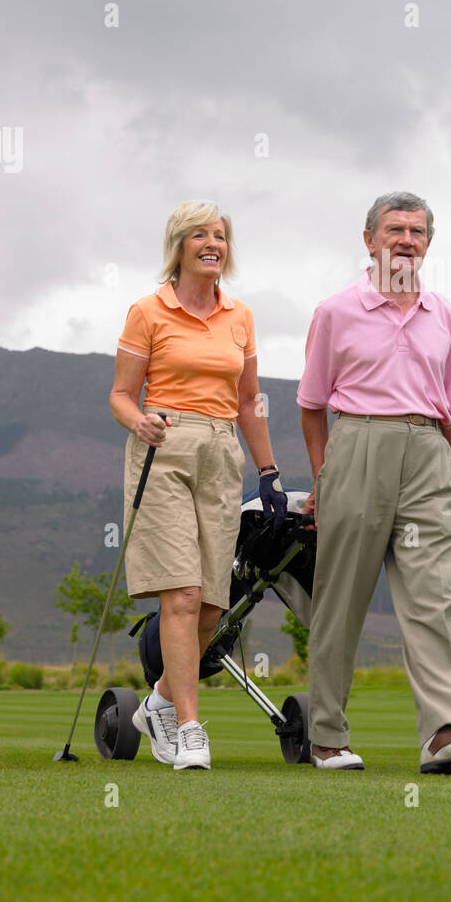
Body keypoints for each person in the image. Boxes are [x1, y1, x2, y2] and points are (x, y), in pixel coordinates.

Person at [297, 191, 451, 773]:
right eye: (394, 229)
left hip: (431, 454)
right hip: (357, 445)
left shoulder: (446, 315)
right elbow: (311, 407)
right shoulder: (335, 311)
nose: (405, 239)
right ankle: (328, 738)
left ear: (429, 243)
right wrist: (326, 476)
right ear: (370, 240)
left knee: (434, 598)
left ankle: (445, 734)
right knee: (340, 601)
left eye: (416, 231)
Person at [109, 200, 287, 770]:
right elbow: (120, 394)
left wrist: (270, 471)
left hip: (221, 450)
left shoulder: (240, 315)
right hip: (163, 447)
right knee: (181, 597)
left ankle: (158, 700)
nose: (213, 243)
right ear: (179, 246)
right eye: (200, 236)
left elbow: (248, 402)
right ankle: (188, 727)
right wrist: (138, 420)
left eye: (221, 236)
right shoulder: (147, 310)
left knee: (213, 604)